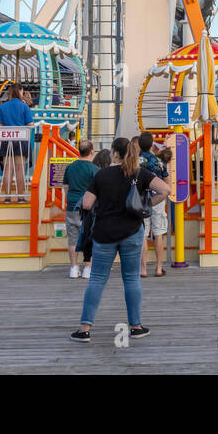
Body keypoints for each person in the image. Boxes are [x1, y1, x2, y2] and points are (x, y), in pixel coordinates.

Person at [71, 137, 172, 342]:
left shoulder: (101, 175)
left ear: (114, 154)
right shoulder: (140, 173)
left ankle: (84, 329)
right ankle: (135, 326)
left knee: (98, 279)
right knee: (132, 278)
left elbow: (88, 204)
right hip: (132, 232)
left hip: (105, 233)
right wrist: (146, 204)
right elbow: (165, 190)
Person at [62, 140, 98, 279]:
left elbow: (66, 186)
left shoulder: (70, 168)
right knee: (89, 238)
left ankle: (73, 268)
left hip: (72, 205)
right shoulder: (94, 169)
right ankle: (87, 268)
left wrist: (70, 198)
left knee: (73, 239)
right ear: (92, 151)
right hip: (88, 208)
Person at [138, 134, 172, 279]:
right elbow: (167, 183)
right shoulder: (158, 161)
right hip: (157, 199)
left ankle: (143, 269)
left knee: (143, 235)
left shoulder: (134, 160)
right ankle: (158, 267)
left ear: (138, 145)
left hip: (139, 200)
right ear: (152, 145)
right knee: (158, 233)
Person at [0, 86, 34, 203]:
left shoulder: (3, 106)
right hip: (21, 140)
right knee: (20, 170)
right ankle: (20, 197)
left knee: (7, 170)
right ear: (20, 91)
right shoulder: (24, 106)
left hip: (7, 141)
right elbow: (30, 124)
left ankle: (7, 197)